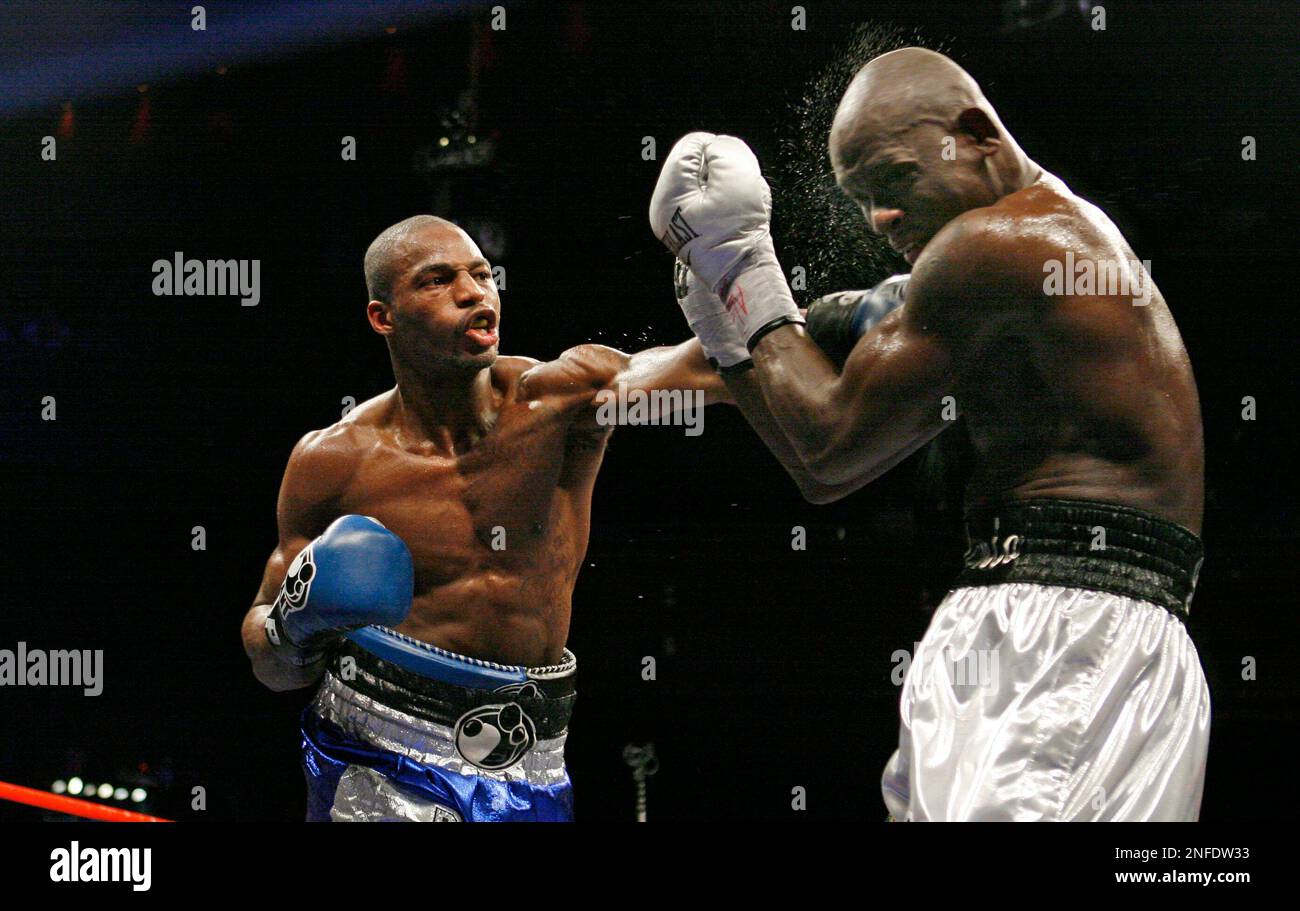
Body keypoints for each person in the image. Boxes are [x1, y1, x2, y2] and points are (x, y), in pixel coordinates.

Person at [649, 47, 1210, 821]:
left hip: (1071, 637)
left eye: (894, 181)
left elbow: (830, 437)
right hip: (1025, 624)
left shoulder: (1002, 245)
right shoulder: (1006, 262)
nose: (879, 219)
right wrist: (721, 317)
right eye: (861, 200)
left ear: (977, 133)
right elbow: (825, 474)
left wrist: (738, 262)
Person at [241, 214, 742, 821]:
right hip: (378, 753)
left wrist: (809, 312)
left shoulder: (565, 402)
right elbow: (269, 661)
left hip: (534, 760)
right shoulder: (335, 462)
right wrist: (291, 624)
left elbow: (712, 372)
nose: (474, 292)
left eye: (482, 274)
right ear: (383, 317)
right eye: (437, 280)